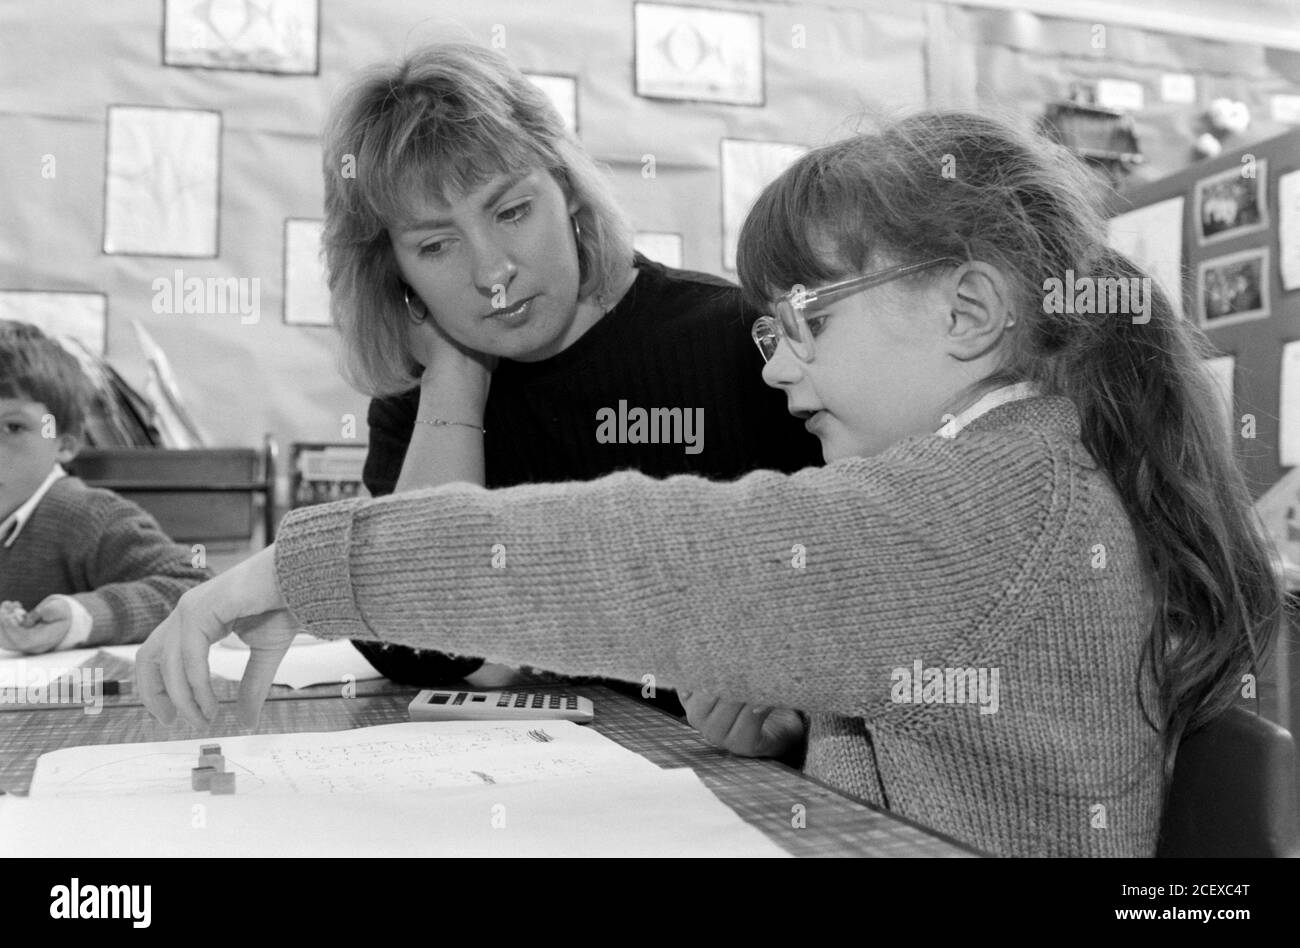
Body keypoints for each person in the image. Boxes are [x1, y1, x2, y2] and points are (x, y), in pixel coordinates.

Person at [137, 110, 1283, 857]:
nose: (771, 358)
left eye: (800, 319)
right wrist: (796, 718)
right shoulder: (1027, 471)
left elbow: (661, 555)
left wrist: (310, 566)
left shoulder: (991, 500)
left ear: (969, 312)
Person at [319, 42, 821, 723]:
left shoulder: (735, 344)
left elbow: (843, 602)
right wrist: (455, 387)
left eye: (511, 211)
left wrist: (790, 728)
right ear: (394, 276)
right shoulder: (419, 403)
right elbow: (418, 650)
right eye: (436, 246)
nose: (492, 272)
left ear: (569, 192)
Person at [0, 321, 210, 653]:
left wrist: (83, 617)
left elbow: (193, 584)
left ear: (65, 444)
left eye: (12, 426)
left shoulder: (88, 516)